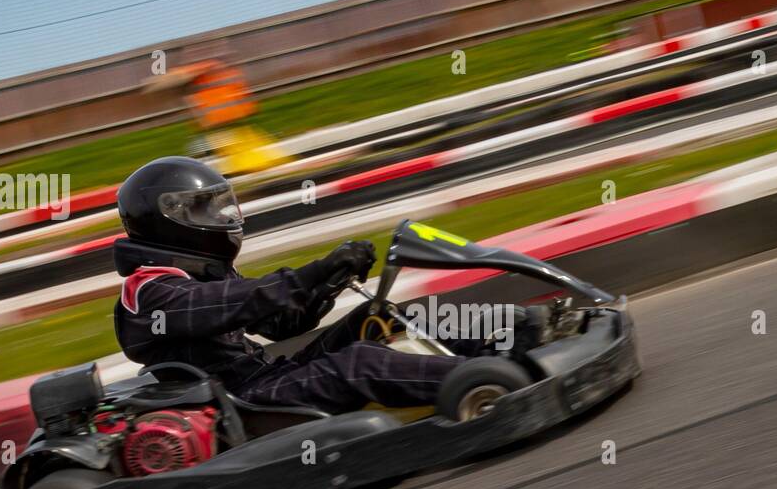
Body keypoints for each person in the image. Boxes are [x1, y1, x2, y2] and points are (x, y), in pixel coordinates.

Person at [112, 156, 496, 413]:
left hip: (263, 378)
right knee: (359, 362)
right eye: (204, 208)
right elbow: (238, 302)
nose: (220, 216)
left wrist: (329, 281)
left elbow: (283, 325)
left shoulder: (200, 272)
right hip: (239, 403)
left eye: (218, 205)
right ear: (168, 217)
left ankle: (486, 352)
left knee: (374, 317)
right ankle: (481, 382)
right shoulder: (149, 290)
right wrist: (312, 272)